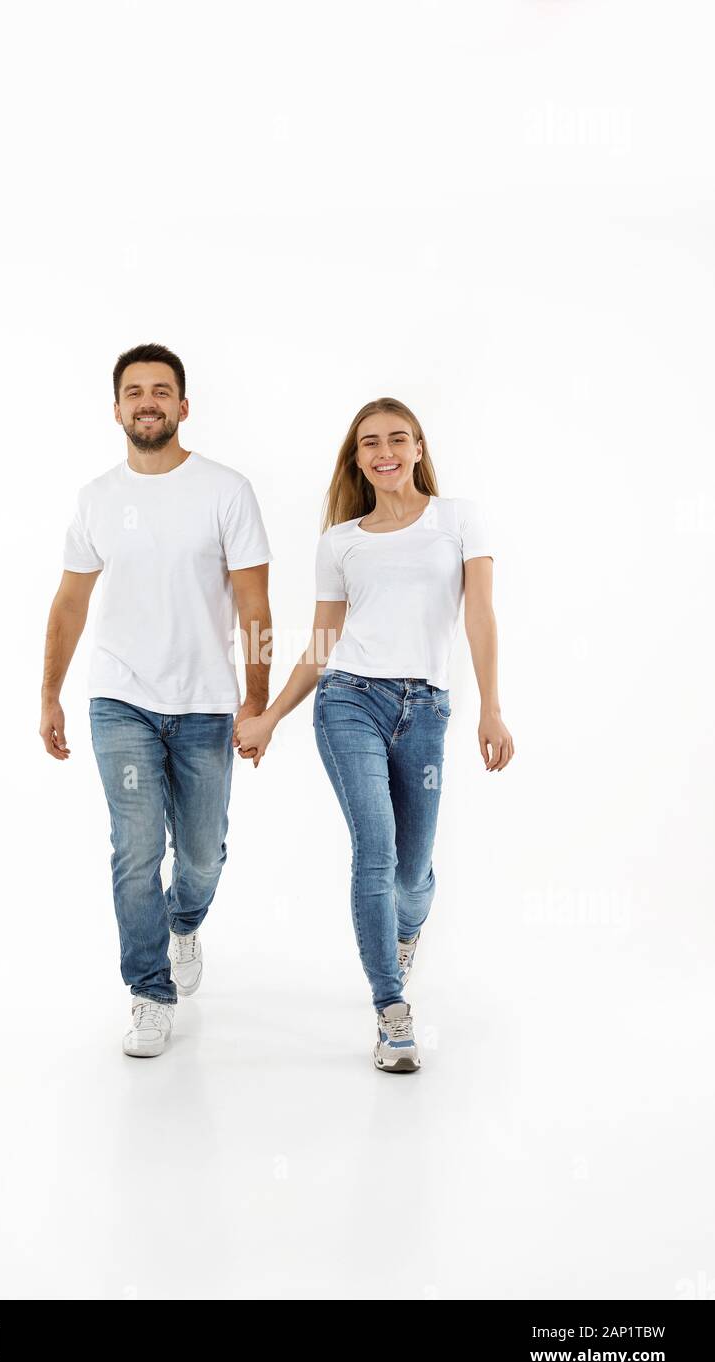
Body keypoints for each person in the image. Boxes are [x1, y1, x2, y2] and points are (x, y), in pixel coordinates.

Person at [233, 397, 513, 1072]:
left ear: (418, 447)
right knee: (376, 849)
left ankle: (403, 934)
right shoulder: (341, 542)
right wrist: (271, 716)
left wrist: (491, 708)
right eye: (369, 443)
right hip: (348, 699)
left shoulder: (458, 520)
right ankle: (391, 1011)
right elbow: (323, 640)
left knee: (413, 875)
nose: (383, 451)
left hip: (429, 708)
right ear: (357, 459)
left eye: (396, 439)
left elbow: (480, 618)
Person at [40, 344, 273, 1058]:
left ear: (183, 405)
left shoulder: (226, 490)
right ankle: (148, 991)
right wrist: (49, 692)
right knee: (135, 848)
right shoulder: (97, 499)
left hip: (205, 702)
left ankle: (184, 922)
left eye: (161, 390)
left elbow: (255, 606)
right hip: (121, 701)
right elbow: (70, 603)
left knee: (200, 853)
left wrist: (257, 701)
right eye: (135, 391)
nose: (148, 401)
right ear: (117, 409)